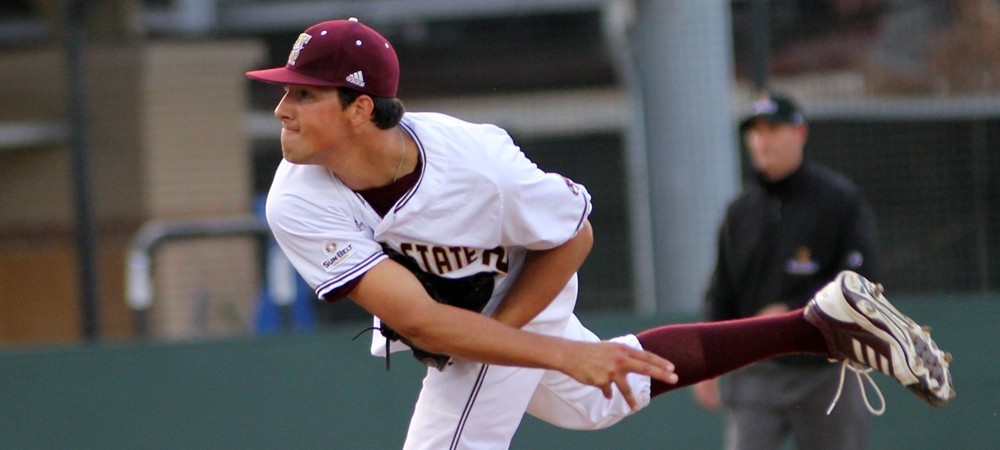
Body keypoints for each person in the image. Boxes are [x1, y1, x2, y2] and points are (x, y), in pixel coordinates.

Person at [245, 18, 954, 450]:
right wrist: (547, 355)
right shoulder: (297, 197)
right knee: (595, 405)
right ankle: (818, 327)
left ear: (362, 107)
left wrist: (525, 343)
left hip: (529, 274)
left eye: (303, 94)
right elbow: (423, 320)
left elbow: (574, 237)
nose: (282, 109)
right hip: (456, 316)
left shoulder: (481, 166)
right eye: (285, 91)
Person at [692, 93, 883, 450]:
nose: (762, 140)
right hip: (759, 369)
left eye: (773, 129)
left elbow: (862, 278)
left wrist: (795, 309)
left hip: (827, 370)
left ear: (800, 133)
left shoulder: (837, 199)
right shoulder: (740, 211)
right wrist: (707, 361)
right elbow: (722, 291)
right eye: (755, 132)